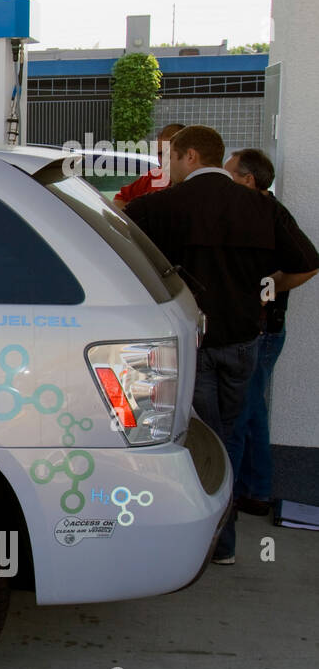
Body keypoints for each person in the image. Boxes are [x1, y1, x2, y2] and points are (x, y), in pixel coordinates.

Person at [125, 126, 318, 564]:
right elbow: (307, 262)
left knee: (188, 439)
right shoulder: (262, 208)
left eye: (172, 158)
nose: (167, 168)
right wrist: (265, 288)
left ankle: (194, 539)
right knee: (228, 435)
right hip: (245, 340)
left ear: (190, 156)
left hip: (188, 343)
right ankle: (223, 542)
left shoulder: (158, 207)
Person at [224, 149, 318, 517]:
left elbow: (308, 265)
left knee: (248, 412)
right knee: (249, 410)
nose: (223, 179)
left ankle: (255, 492)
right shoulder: (253, 212)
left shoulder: (271, 214)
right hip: (256, 330)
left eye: (229, 173)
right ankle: (253, 491)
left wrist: (267, 291)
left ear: (248, 180)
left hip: (263, 331)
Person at [113, 122, 184, 209]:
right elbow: (120, 199)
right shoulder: (151, 178)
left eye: (168, 153)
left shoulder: (199, 185)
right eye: (160, 154)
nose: (163, 159)